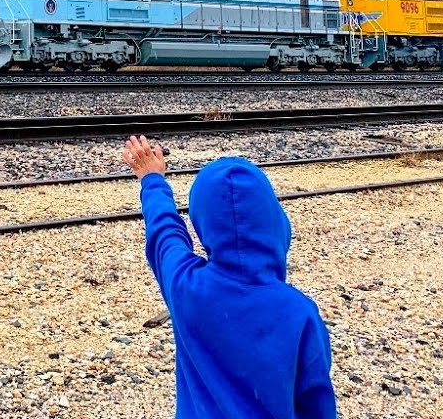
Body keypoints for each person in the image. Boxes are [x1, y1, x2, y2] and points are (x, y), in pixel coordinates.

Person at [122, 135, 337, 419]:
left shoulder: (187, 288)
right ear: (275, 220)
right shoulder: (301, 312)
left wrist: (152, 180)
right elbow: (316, 405)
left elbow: (164, 234)